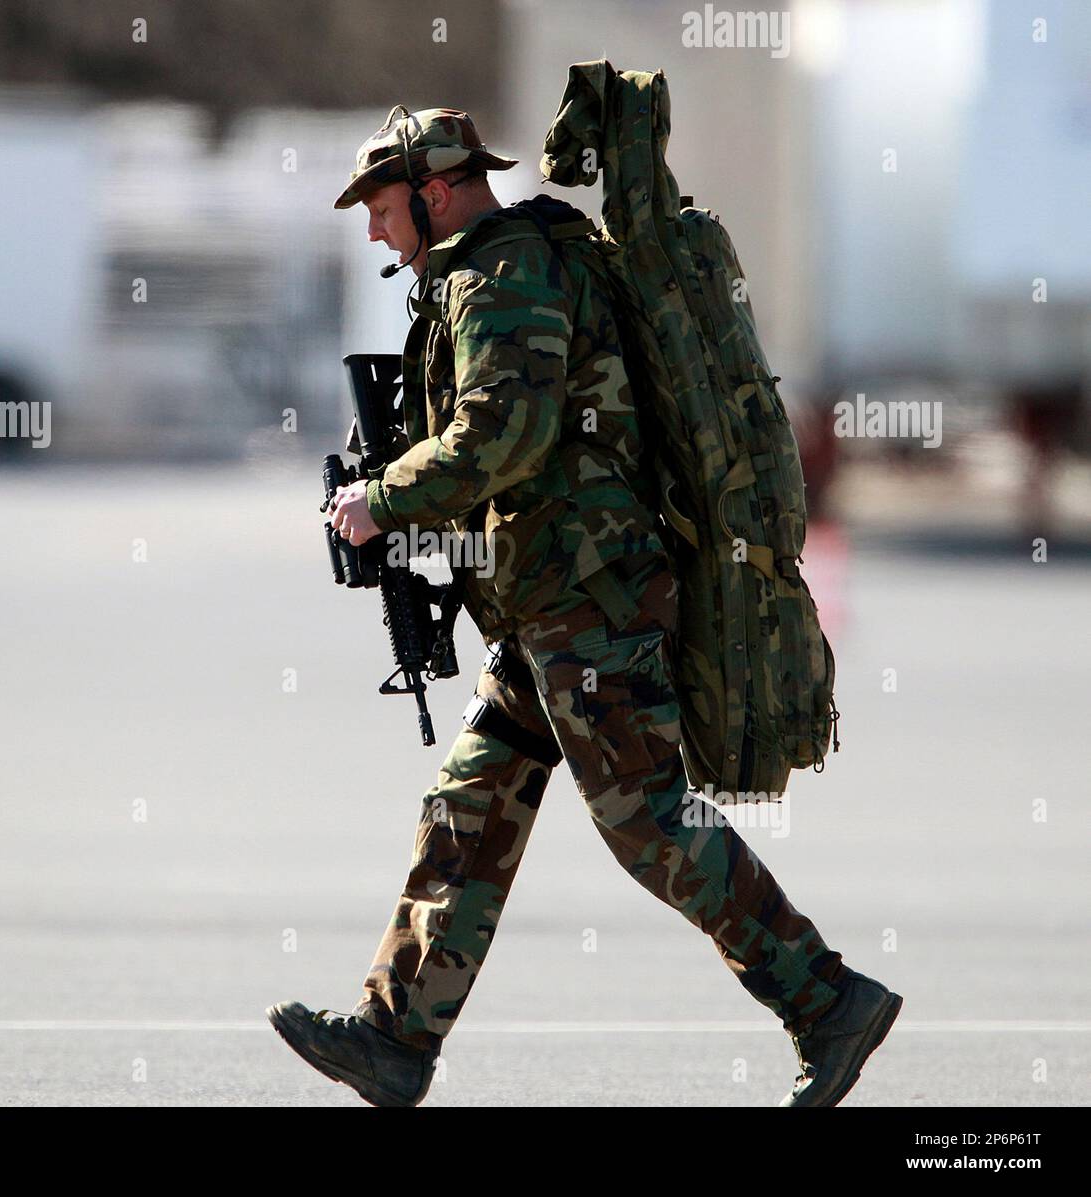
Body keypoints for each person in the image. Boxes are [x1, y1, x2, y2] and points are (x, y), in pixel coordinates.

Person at [267, 105, 901, 1107]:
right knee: (470, 807)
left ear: (434, 192)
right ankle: (396, 1036)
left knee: (646, 822)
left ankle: (826, 1001)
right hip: (548, 599)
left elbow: (502, 435)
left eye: (382, 208)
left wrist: (379, 502)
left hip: (587, 600)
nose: (375, 232)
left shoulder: (500, 276)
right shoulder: (513, 263)